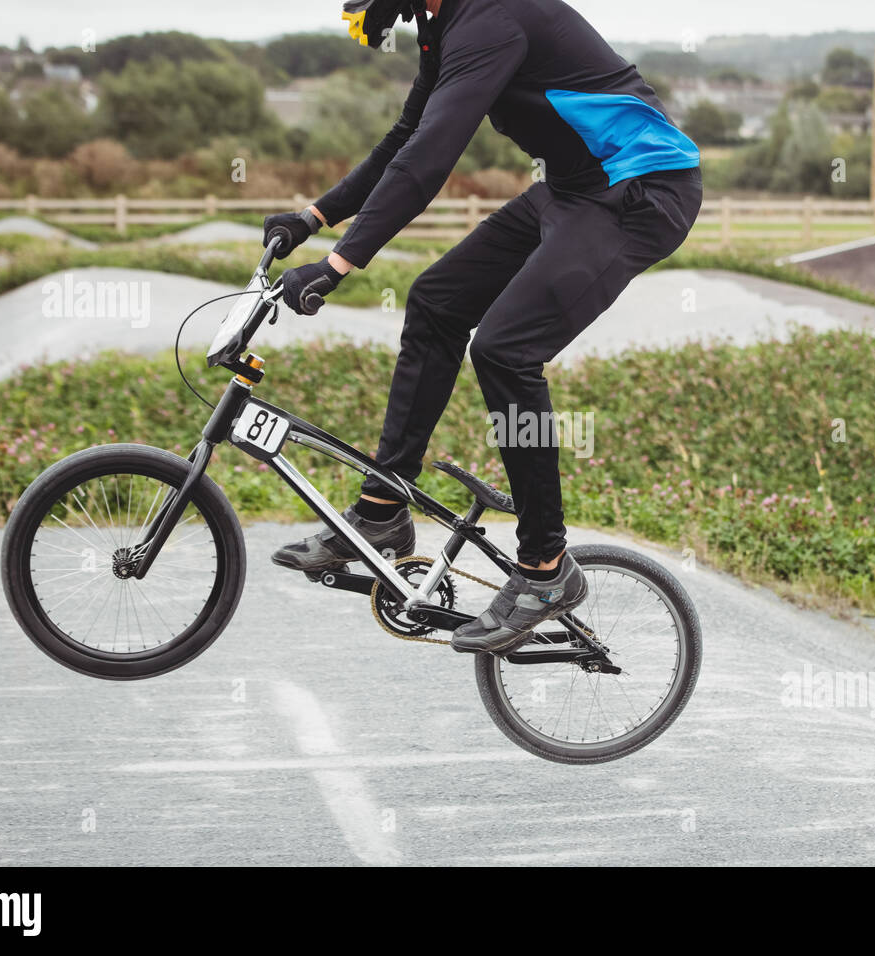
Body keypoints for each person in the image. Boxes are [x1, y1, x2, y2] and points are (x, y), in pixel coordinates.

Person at [265, 0, 702, 654]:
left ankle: (546, 568)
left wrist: (338, 262)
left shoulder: (493, 18)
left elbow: (432, 159)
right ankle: (383, 512)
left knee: (505, 350)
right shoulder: (447, 29)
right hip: (575, 191)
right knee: (437, 301)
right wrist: (314, 215)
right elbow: (407, 138)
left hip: (642, 193)